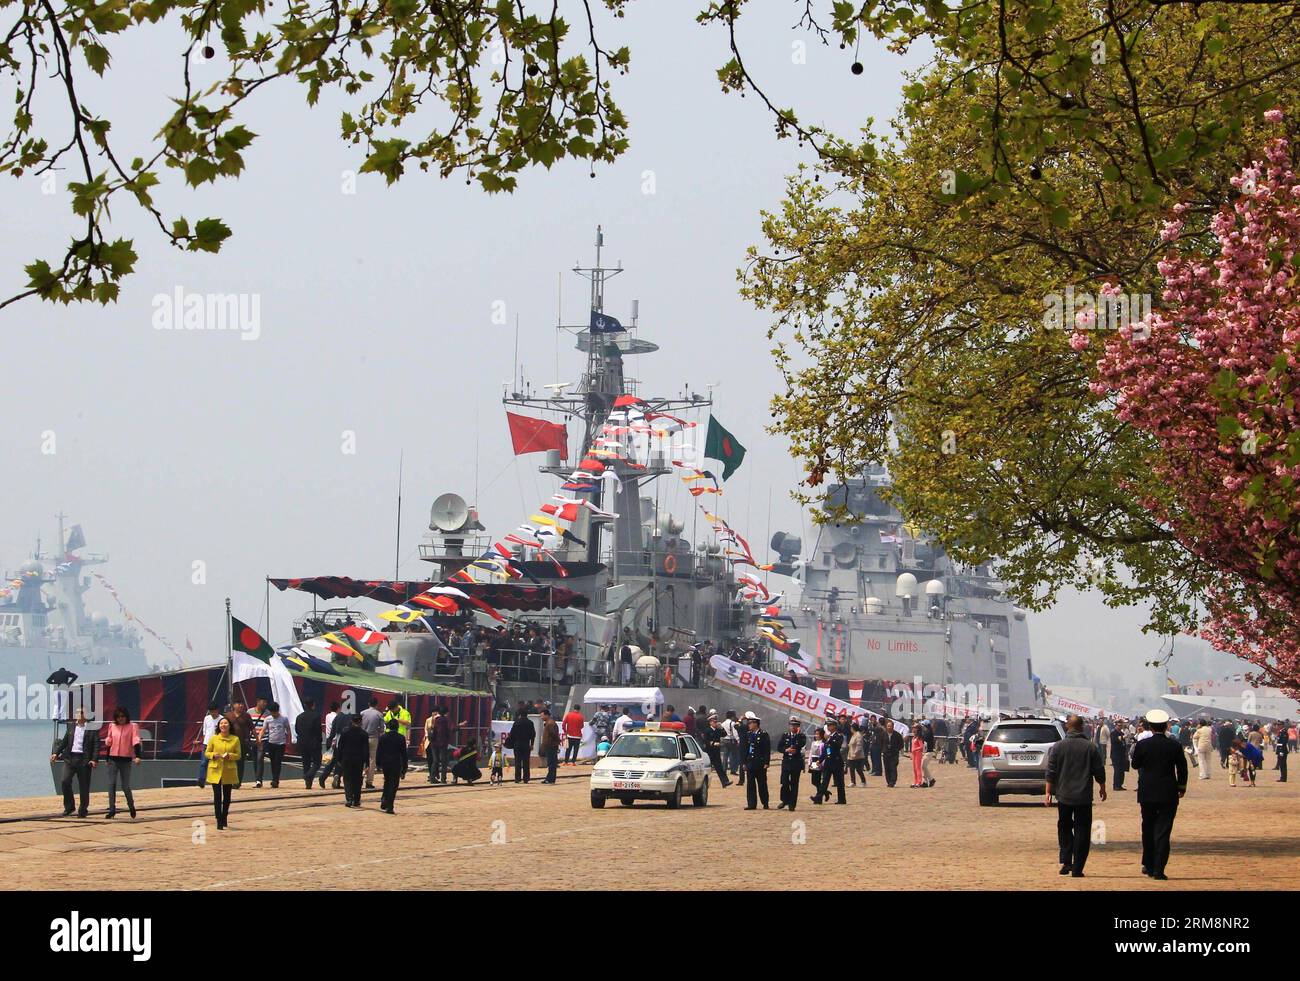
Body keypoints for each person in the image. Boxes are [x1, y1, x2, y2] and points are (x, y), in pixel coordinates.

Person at [1044, 714, 1107, 877]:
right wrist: (1102, 787)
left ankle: (1066, 861)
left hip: (1064, 795)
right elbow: (1099, 770)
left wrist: (1048, 792)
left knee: (1064, 827)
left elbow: (1051, 771)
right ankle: (1078, 868)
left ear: (1067, 727)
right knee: (1083, 831)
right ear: (1082, 727)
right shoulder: (1090, 747)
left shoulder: (1058, 746)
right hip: (1083, 796)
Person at [1130, 708, 1188, 880]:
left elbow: (1134, 765)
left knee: (1147, 829)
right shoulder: (1174, 745)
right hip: (1168, 792)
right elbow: (1182, 768)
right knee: (1163, 831)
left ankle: (1147, 864)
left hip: (1147, 792)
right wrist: (1181, 786)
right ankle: (1159, 869)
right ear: (1165, 726)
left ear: (1150, 726)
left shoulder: (1142, 745)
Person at [51, 707, 99, 817]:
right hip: (70, 758)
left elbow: (96, 745)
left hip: (84, 760)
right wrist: (56, 753)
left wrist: (94, 759)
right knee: (64, 781)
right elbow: (64, 742)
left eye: (81, 712)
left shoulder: (92, 728)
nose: (78, 714)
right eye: (76, 712)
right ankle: (69, 807)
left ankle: (83, 809)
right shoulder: (71, 726)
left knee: (84, 786)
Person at [102, 707, 142, 819]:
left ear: (126, 717)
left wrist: (138, 756)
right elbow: (109, 743)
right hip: (113, 759)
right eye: (118, 717)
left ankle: (131, 806)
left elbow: (136, 741)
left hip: (126, 760)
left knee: (125, 786)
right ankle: (112, 809)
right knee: (111, 784)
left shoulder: (133, 726)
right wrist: (107, 759)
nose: (121, 719)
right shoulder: (112, 726)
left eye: (123, 716)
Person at [204, 715, 241, 831]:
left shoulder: (235, 739)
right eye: (221, 724)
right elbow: (207, 752)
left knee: (227, 797)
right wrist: (212, 755)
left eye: (225, 723)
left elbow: (238, 755)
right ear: (218, 727)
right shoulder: (214, 738)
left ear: (229, 726)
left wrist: (230, 756)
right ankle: (218, 819)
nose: (223, 725)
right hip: (215, 769)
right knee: (217, 796)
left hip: (228, 770)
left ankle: (224, 816)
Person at [337, 714, 371, 808]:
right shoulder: (364, 734)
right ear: (360, 722)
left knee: (347, 779)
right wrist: (367, 763)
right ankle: (356, 800)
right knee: (357, 780)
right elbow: (366, 750)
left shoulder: (345, 732)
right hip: (358, 760)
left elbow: (340, 746)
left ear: (352, 721)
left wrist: (339, 758)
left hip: (346, 758)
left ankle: (349, 799)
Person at [375, 719, 408, 814]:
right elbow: (404, 754)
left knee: (387, 781)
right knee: (394, 784)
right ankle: (390, 805)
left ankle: (384, 799)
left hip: (386, 763)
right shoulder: (401, 738)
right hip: (396, 763)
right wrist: (404, 768)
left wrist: (378, 763)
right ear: (397, 727)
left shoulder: (383, 737)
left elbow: (379, 751)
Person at [317, 705, 352, 789]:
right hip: (339, 744)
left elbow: (333, 730)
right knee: (340, 762)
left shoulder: (330, 716)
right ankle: (337, 779)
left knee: (331, 762)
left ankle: (324, 777)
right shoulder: (343, 718)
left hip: (331, 741)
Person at [741, 713, 771, 809]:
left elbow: (767, 749)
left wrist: (767, 762)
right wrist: (744, 762)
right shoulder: (748, 735)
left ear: (756, 724)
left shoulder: (763, 734)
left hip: (760, 763)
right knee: (750, 784)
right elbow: (745, 749)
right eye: (748, 723)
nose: (749, 725)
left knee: (762, 784)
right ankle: (751, 804)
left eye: (750, 723)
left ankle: (765, 802)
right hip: (750, 762)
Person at [776, 717, 806, 810]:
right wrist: (786, 750)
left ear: (798, 727)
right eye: (792, 725)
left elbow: (801, 744)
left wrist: (797, 735)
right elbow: (779, 747)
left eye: (795, 725)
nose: (793, 727)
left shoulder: (801, 736)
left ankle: (792, 804)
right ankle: (785, 800)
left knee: (794, 784)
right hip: (786, 762)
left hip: (796, 762)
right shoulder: (785, 735)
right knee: (784, 782)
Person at [260, 702, 289, 788]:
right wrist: (259, 738)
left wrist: (289, 740)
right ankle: (274, 778)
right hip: (271, 743)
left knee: (277, 761)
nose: (273, 714)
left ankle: (276, 780)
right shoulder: (268, 719)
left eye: (275, 712)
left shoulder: (284, 719)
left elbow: (288, 729)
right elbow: (263, 729)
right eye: (272, 712)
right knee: (273, 762)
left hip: (281, 743)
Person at [295, 699, 322, 789]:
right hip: (313, 743)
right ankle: (308, 775)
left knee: (305, 762)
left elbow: (297, 730)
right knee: (317, 762)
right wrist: (319, 741)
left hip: (302, 742)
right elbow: (318, 731)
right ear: (313, 705)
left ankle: (308, 783)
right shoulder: (316, 716)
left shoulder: (299, 716)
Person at [360, 697, 385, 789]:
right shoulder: (379, 714)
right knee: (372, 760)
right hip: (373, 738)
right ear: (377, 704)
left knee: (361, 758)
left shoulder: (362, 713)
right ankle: (369, 781)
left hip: (362, 738)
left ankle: (360, 777)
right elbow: (382, 729)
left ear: (368, 703)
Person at [226, 701, 253, 786]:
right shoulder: (228, 715)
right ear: (234, 705)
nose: (240, 705)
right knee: (230, 761)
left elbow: (252, 728)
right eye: (238, 704)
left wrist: (257, 740)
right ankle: (230, 780)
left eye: (241, 704)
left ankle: (238, 782)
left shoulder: (246, 716)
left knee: (240, 763)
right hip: (230, 742)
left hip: (242, 743)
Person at [701, 712, 730, 788]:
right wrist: (713, 743)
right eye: (714, 722)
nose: (716, 723)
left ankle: (725, 781)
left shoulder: (717, 730)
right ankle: (703, 783)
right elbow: (705, 740)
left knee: (720, 767)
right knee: (706, 768)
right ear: (710, 722)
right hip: (709, 752)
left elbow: (724, 734)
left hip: (716, 752)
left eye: (716, 721)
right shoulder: (707, 730)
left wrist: (721, 728)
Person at [197, 703, 222, 788]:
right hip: (206, 744)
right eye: (211, 711)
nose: (212, 713)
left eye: (214, 711)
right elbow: (205, 731)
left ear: (217, 710)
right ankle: (201, 780)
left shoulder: (222, 719)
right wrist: (204, 741)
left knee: (217, 764)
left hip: (217, 744)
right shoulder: (207, 718)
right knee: (203, 762)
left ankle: (217, 780)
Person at [509, 709, 536, 783]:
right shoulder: (530, 723)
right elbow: (533, 735)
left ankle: (517, 778)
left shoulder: (516, 722)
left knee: (517, 761)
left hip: (517, 744)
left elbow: (512, 734)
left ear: (520, 715)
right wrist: (532, 744)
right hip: (526, 744)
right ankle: (526, 778)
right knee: (526, 762)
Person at [426, 706, 451, 784]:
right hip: (442, 743)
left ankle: (432, 778)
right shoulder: (446, 720)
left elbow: (431, 729)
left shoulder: (434, 720)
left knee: (435, 760)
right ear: (446, 713)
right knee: (444, 761)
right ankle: (443, 779)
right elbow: (451, 729)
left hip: (434, 743)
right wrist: (460, 726)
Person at [248, 696, 269, 787]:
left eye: (265, 702)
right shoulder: (249, 712)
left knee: (260, 759)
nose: (264, 704)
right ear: (257, 701)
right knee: (255, 759)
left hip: (263, 739)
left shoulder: (267, 713)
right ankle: (257, 778)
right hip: (252, 739)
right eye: (262, 702)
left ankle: (259, 780)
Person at [539, 709, 561, 783]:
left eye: (542, 715)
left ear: (546, 715)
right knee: (551, 763)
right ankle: (549, 778)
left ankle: (550, 779)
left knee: (551, 763)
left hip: (551, 746)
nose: (541, 717)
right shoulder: (548, 723)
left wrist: (556, 743)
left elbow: (554, 735)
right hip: (550, 745)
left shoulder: (550, 724)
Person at [1109, 721, 1130, 791]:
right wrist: (1123, 737)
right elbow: (1115, 740)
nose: (1120, 727)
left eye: (1121, 725)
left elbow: (1124, 743)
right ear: (1116, 725)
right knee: (1117, 770)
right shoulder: (1113, 733)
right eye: (1118, 725)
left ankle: (1120, 785)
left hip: (1122, 755)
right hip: (1115, 755)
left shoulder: (1121, 733)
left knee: (1121, 771)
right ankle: (1116, 785)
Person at [882, 722, 904, 787]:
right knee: (887, 768)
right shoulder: (883, 734)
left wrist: (897, 749)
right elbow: (880, 742)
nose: (889, 727)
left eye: (890, 726)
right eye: (888, 726)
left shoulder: (897, 735)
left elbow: (901, 744)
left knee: (893, 767)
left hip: (894, 754)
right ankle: (888, 781)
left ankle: (892, 781)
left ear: (893, 727)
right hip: (886, 754)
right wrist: (883, 750)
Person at [846, 721, 867, 787]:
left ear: (853, 728)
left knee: (858, 769)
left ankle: (863, 781)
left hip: (857, 756)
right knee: (851, 769)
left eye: (851, 728)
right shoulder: (853, 735)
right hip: (851, 755)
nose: (850, 729)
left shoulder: (858, 735)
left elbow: (859, 745)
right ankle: (853, 782)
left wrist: (855, 753)